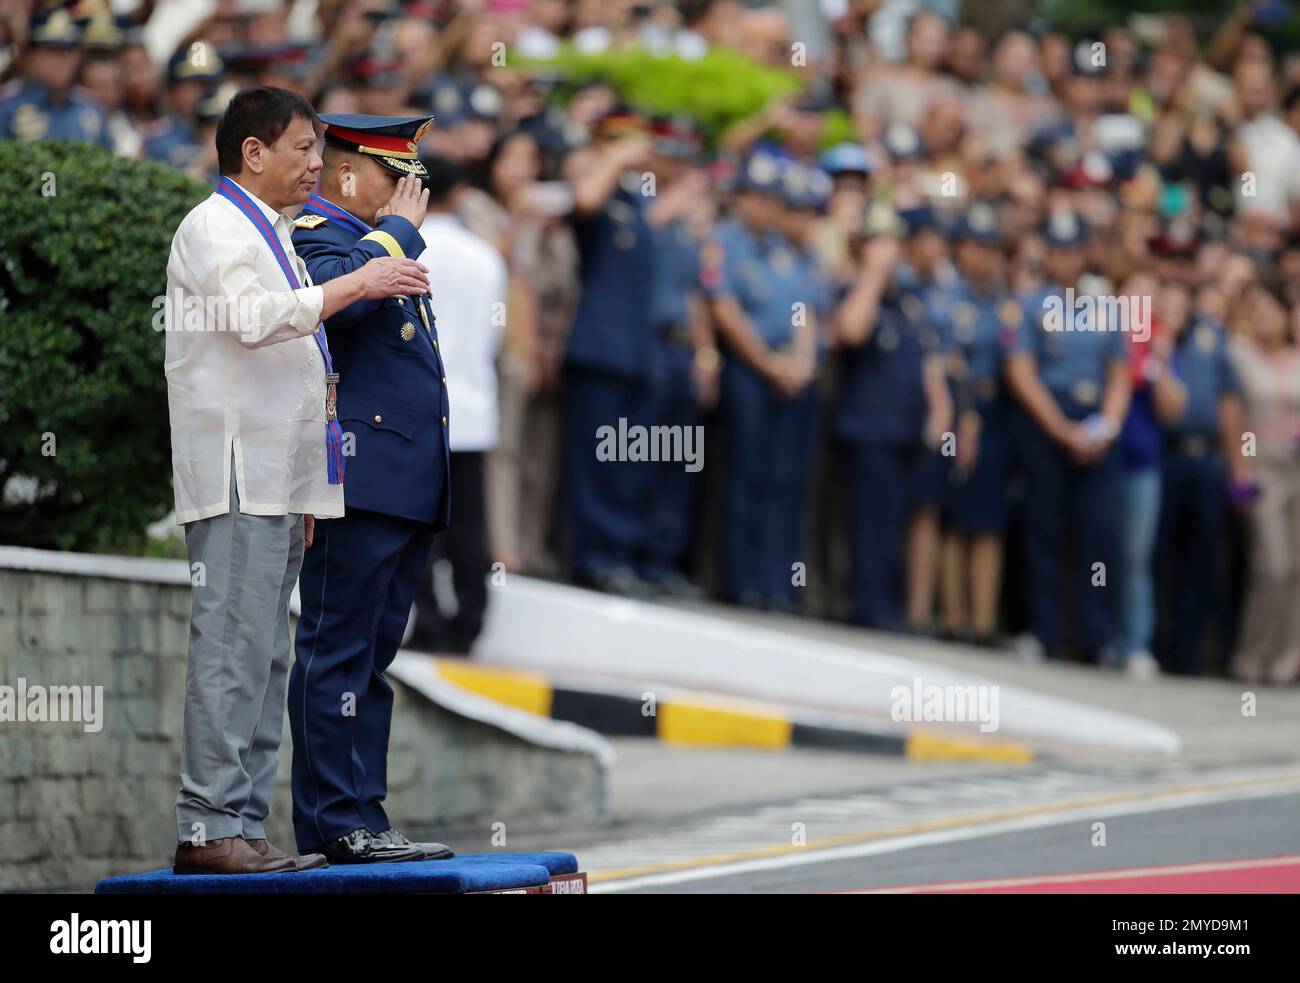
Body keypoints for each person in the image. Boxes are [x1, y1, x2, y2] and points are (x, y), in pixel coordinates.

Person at [166, 86, 422, 875]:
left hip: (277, 478)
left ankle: (239, 822)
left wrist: (310, 484)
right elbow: (255, 320)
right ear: (254, 152)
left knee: (267, 658)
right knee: (232, 652)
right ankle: (209, 828)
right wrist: (363, 280)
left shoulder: (267, 229)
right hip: (240, 474)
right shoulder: (215, 225)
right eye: (306, 149)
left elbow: (299, 362)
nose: (320, 165)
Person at [288, 112, 455, 863]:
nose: (409, 196)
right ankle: (331, 821)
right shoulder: (315, 236)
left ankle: (366, 815)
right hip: (356, 482)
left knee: (371, 662)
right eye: (397, 177)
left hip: (400, 484)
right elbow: (330, 298)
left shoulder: (378, 241)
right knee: (334, 653)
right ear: (348, 171)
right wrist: (394, 235)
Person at [1005, 210, 1132, 663]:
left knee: (1099, 532)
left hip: (1094, 423)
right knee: (1045, 528)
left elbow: (1120, 374)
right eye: (1057, 251)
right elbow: (1021, 371)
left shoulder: (1104, 308)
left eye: (1072, 250)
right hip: (1049, 423)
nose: (1064, 259)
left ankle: (1094, 637)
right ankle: (1047, 631)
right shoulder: (1031, 304)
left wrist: (1106, 425)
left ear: (1084, 254)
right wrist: (1061, 429)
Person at [410, 154, 507, 653]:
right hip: (473, 407)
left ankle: (426, 621)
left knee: (421, 524)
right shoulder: (485, 256)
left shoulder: (409, 252)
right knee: (471, 526)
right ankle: (470, 623)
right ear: (461, 193)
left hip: (421, 409)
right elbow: (494, 336)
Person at [1226, 284, 1300, 685]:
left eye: (1271, 310)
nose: (1264, 319)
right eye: (1257, 311)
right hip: (1263, 464)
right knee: (1273, 565)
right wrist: (1240, 467)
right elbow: (1233, 415)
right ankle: (1251, 655)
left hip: (1298, 466)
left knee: (1299, 568)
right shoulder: (1239, 356)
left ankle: (1285, 661)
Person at [0, 9, 110, 146]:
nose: (61, 61)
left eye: (69, 51)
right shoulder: (7, 108)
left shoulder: (92, 110)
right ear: (33, 57)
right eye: (52, 51)